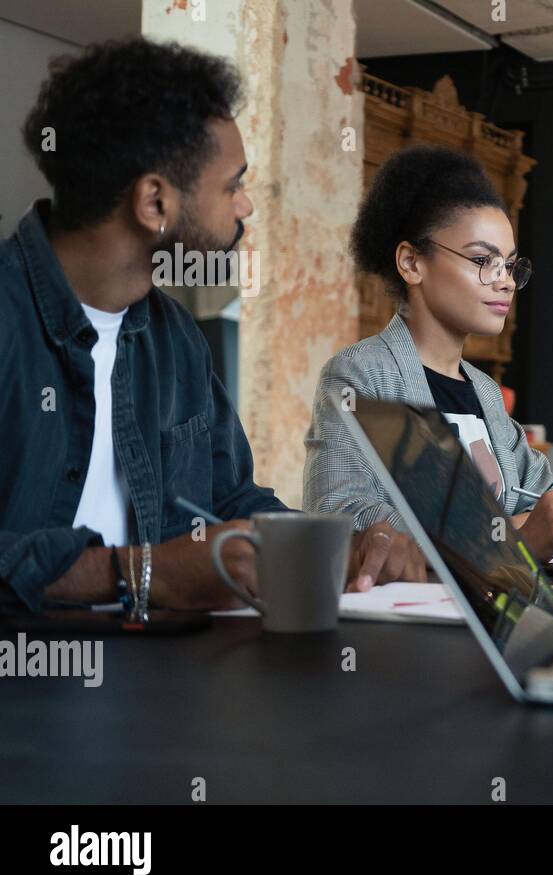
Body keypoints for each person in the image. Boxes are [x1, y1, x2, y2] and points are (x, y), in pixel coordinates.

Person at [0, 38, 425, 615]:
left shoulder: (175, 338)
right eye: (232, 185)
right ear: (154, 202)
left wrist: (347, 549)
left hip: (162, 678)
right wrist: (139, 573)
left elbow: (230, 498)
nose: (245, 206)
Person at [303, 146, 553, 562]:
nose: (506, 282)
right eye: (482, 260)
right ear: (411, 262)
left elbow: (550, 492)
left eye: (510, 266)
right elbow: (339, 515)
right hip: (418, 616)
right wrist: (508, 534)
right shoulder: (360, 375)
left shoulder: (484, 391)